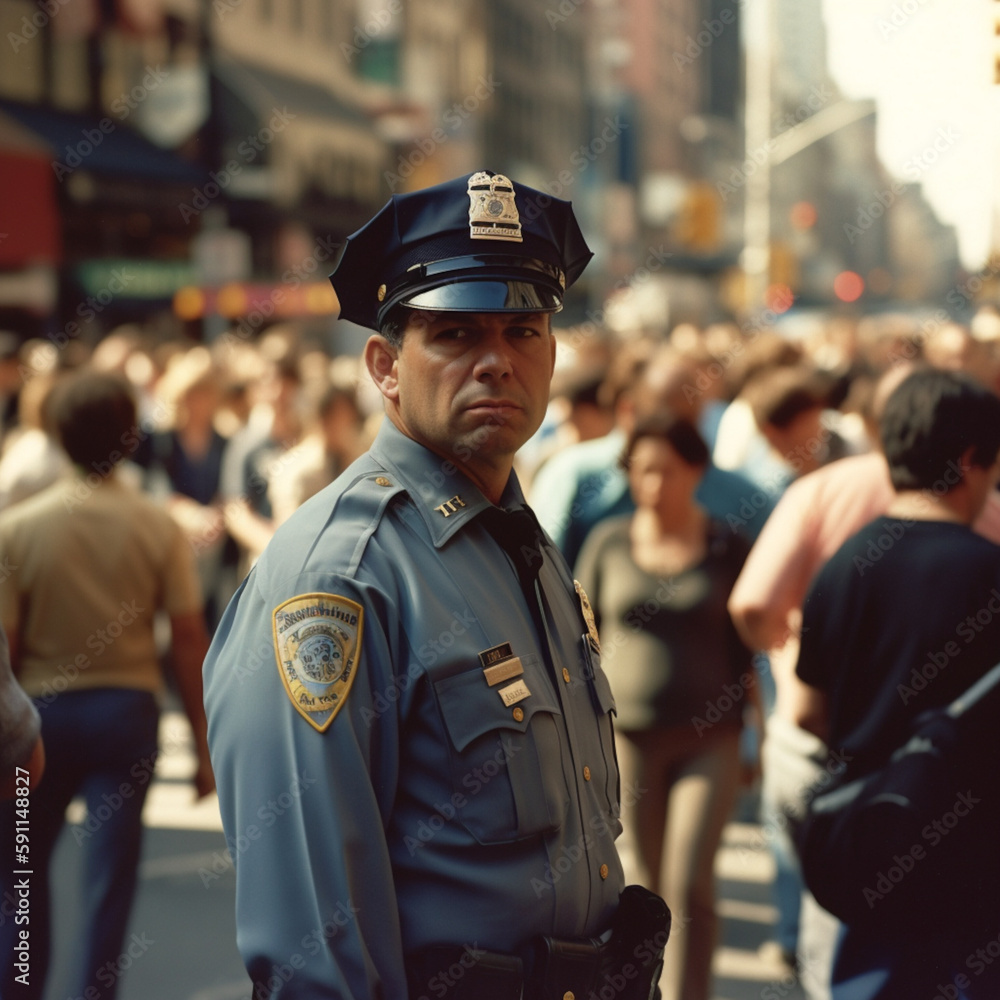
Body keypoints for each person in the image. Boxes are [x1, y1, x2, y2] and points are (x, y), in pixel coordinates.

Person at [203, 171, 669, 1000]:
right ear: (385, 366)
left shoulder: (520, 542)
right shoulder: (338, 576)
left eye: (523, 331)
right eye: (455, 336)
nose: (497, 362)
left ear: (554, 355)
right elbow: (315, 946)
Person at [0, 370, 214, 1000]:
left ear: (57, 436)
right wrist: (203, 748)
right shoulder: (156, 526)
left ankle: (18, 987)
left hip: (35, 720)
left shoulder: (18, 530)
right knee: (108, 879)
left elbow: (3, 655)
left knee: (19, 869)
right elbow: (187, 639)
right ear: (129, 437)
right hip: (127, 715)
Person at [793, 368, 1000, 998]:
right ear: (969, 461)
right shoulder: (989, 570)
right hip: (976, 864)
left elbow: (806, 711)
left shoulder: (847, 564)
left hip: (871, 844)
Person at [574, 413, 756, 1000]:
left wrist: (759, 736)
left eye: (666, 471)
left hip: (711, 737)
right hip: (629, 739)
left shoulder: (726, 542)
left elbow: (749, 651)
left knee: (691, 882)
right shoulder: (608, 541)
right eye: (641, 471)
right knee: (646, 887)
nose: (652, 485)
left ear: (696, 471)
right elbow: (578, 641)